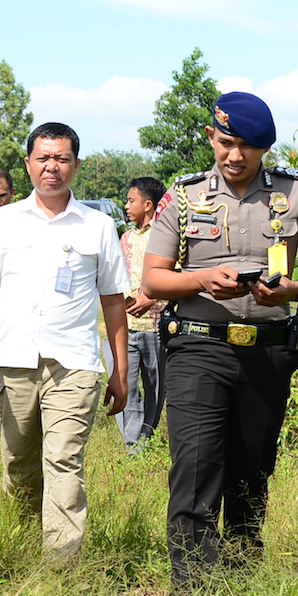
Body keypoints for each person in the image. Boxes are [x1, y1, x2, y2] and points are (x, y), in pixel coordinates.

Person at [142, 92, 298, 596]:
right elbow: (154, 278)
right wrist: (205, 279)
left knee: (251, 473)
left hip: (268, 353)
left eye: (248, 148)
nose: (235, 156)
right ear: (211, 137)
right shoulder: (182, 197)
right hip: (197, 347)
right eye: (226, 143)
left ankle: (239, 590)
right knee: (196, 468)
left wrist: (294, 290)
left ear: (264, 149)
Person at [0, 122, 129, 565]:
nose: (52, 167)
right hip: (14, 362)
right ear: (28, 165)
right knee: (19, 465)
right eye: (43, 158)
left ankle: (60, 565)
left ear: (76, 165)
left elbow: (114, 303)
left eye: (61, 159)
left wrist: (119, 371)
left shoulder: (97, 226)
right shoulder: (1, 223)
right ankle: (21, 545)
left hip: (75, 365)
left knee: (63, 462)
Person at [117, 176, 167, 451]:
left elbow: (178, 276)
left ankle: (146, 438)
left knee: (155, 387)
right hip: (125, 326)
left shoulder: (165, 236)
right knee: (125, 385)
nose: (126, 206)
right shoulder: (126, 238)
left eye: (131, 201)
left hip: (156, 326)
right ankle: (133, 445)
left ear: (148, 205)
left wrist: (152, 297)